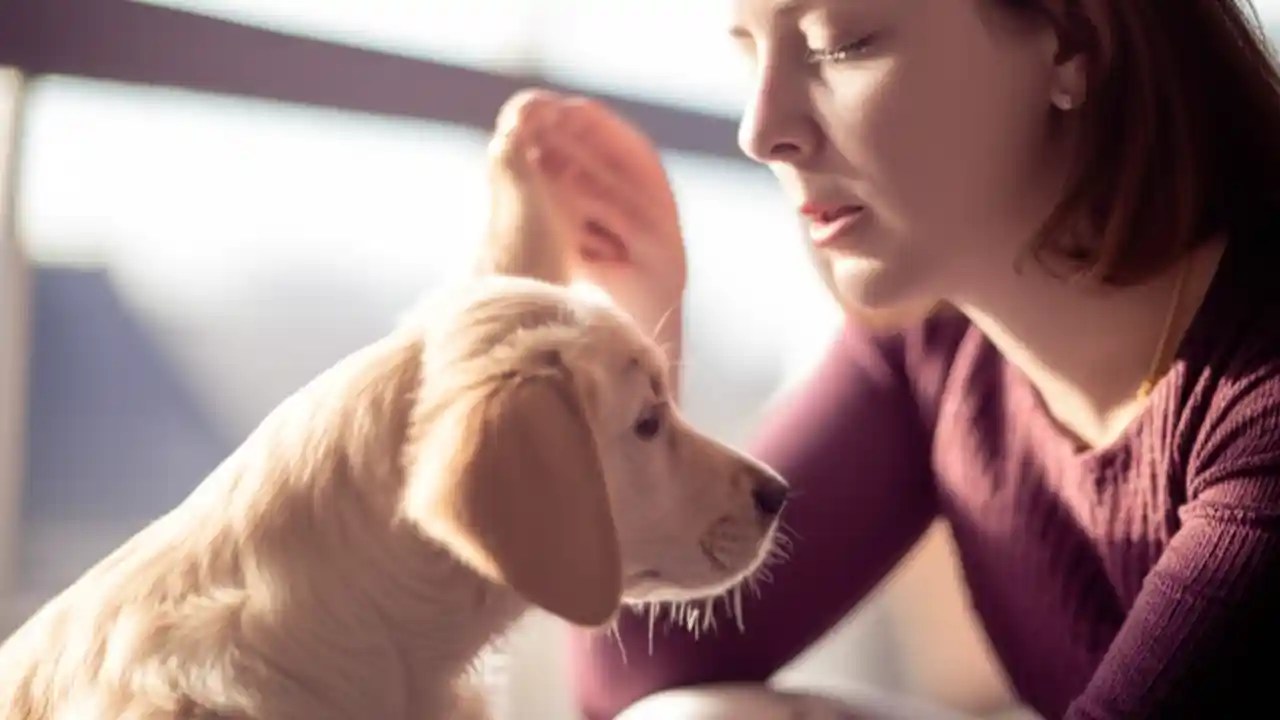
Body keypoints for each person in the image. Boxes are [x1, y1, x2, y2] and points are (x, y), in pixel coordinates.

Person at [481, 1, 1280, 718]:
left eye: (839, 44)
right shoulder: (934, 345)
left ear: (1070, 39)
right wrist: (637, 342)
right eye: (747, 53)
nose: (760, 131)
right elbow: (642, 672)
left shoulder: (1260, 404)